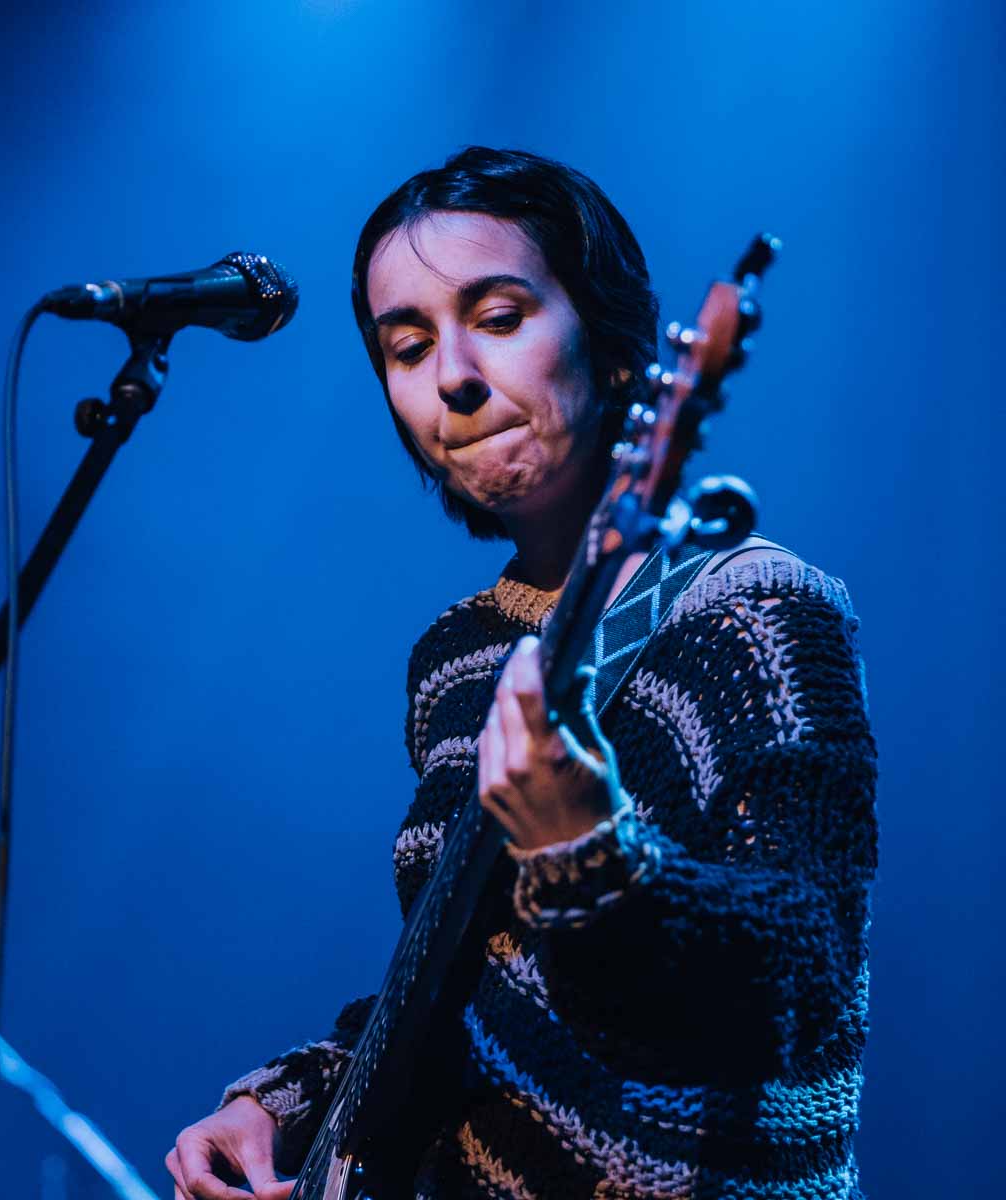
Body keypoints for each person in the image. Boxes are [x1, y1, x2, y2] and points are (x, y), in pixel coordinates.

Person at [165, 147, 878, 1200]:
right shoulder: (456, 657)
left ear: (608, 337)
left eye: (498, 319)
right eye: (406, 347)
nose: (451, 375)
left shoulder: (758, 611)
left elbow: (803, 978)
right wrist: (278, 1103)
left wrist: (585, 852)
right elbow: (476, 996)